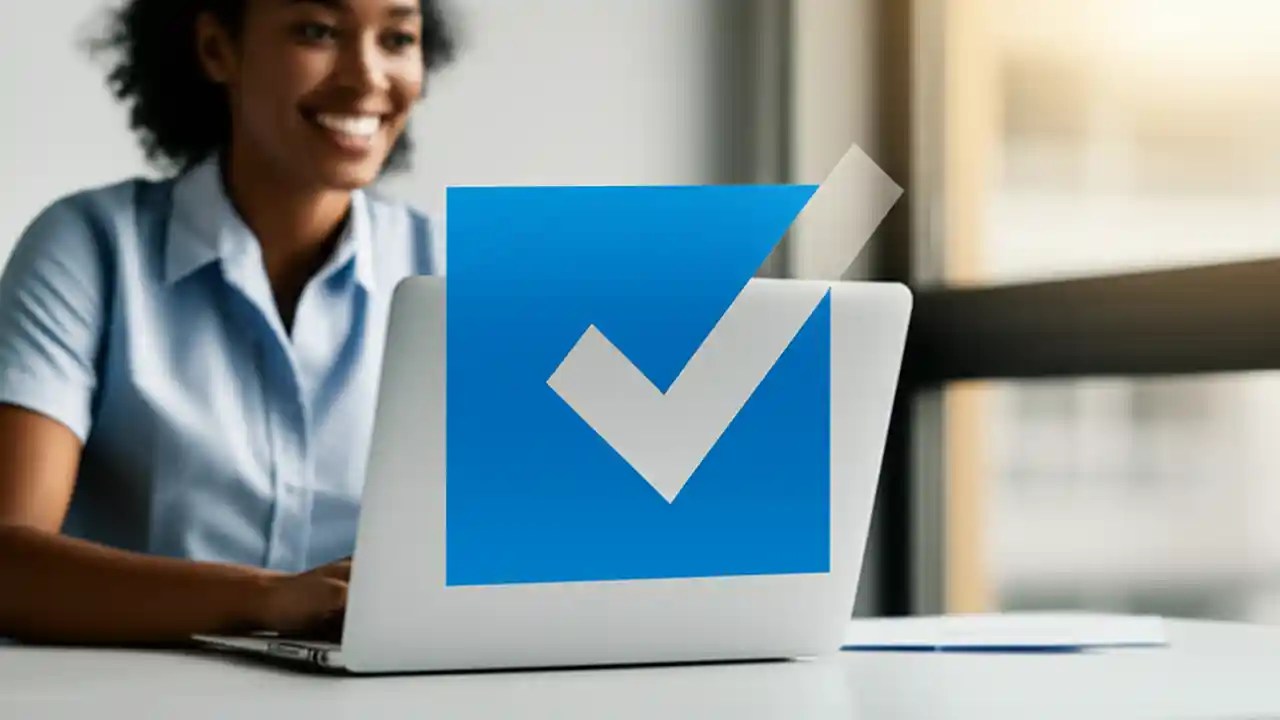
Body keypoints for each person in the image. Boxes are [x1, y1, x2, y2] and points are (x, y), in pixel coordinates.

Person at [0, 0, 455, 644]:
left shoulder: (450, 269)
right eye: (318, 31)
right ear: (218, 49)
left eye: (397, 37)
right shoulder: (90, 248)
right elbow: (8, 563)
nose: (367, 76)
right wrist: (270, 600)